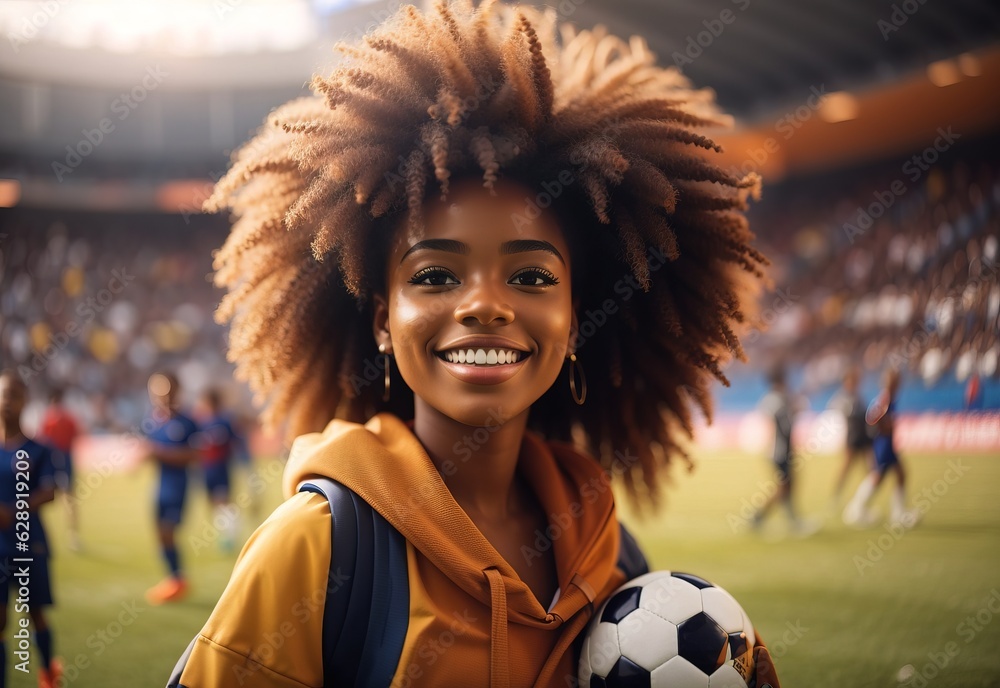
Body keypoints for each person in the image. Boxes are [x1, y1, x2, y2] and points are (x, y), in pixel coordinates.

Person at [173, 3, 780, 685]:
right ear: (382, 320)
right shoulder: (315, 551)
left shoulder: (613, 561)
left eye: (530, 275)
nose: (485, 304)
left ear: (575, 320)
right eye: (435, 274)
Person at [0, 371, 60, 688]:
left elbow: (50, 490)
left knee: (36, 614)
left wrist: (15, 510)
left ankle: (48, 672)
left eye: (14, 395)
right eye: (4, 394)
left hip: (29, 545)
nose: (7, 401)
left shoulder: (39, 449)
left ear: (25, 401)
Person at [143, 372, 198, 605]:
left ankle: (178, 579)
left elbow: (195, 455)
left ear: (176, 390)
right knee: (160, 534)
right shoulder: (154, 421)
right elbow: (151, 450)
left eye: (165, 389)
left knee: (168, 532)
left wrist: (159, 453)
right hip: (159, 486)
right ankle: (173, 579)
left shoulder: (187, 422)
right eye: (156, 390)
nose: (160, 395)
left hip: (178, 486)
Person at [843, 368, 917, 528]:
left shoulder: (888, 398)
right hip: (883, 444)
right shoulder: (884, 399)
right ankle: (857, 509)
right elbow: (872, 419)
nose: (895, 384)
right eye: (893, 381)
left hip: (887, 443)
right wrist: (885, 427)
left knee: (900, 474)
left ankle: (896, 513)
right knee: (878, 476)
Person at [751, 367, 807, 533]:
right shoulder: (778, 399)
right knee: (784, 486)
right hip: (780, 451)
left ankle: (790, 520)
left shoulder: (775, 398)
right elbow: (784, 424)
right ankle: (760, 517)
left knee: (787, 485)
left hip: (779, 450)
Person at [192, 388, 244, 552]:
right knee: (214, 504)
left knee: (224, 502)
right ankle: (225, 535)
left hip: (221, 468)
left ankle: (230, 536)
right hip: (207, 469)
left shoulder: (225, 421)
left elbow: (237, 443)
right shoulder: (201, 422)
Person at [37, 388, 81, 552]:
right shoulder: (68, 418)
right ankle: (73, 535)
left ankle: (45, 536)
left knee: (45, 497)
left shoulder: (48, 419)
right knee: (70, 499)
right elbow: (76, 436)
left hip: (53, 461)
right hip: (66, 459)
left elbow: (42, 440)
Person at [827, 366, 874, 509]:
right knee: (846, 468)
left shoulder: (859, 396)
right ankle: (835, 496)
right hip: (852, 436)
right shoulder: (842, 397)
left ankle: (864, 502)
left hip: (864, 437)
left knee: (870, 469)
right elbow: (833, 409)